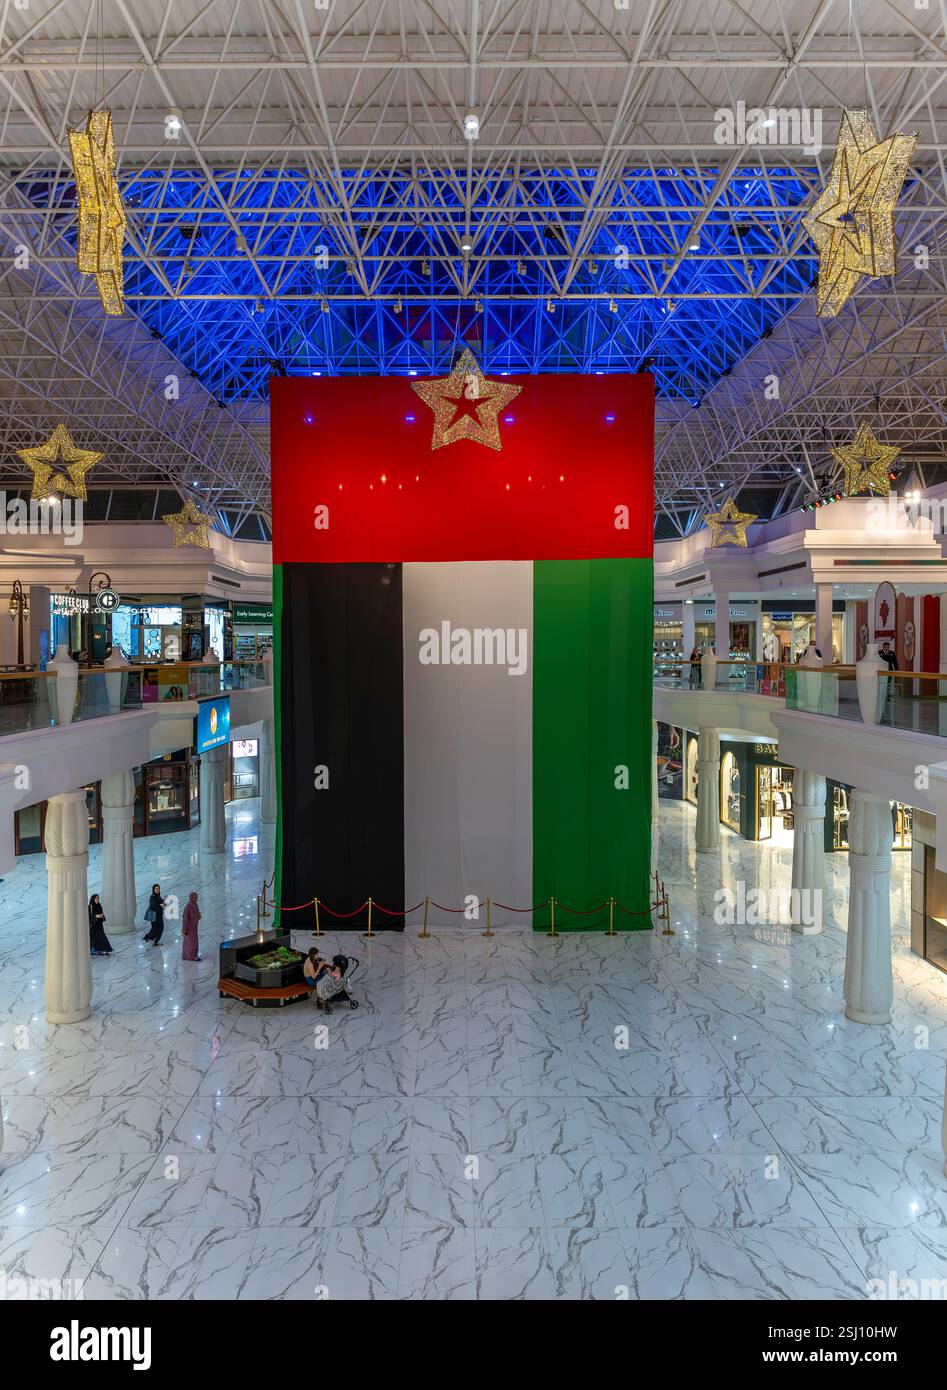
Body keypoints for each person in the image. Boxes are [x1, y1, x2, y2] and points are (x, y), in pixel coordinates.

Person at [182, 891, 201, 961]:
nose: (196, 899)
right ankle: (191, 957)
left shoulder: (195, 905)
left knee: (193, 942)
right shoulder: (188, 907)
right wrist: (185, 929)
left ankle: (192, 955)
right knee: (191, 943)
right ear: (191, 898)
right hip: (189, 929)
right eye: (195, 898)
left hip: (194, 927)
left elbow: (197, 913)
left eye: (196, 897)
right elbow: (185, 919)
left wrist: (198, 916)